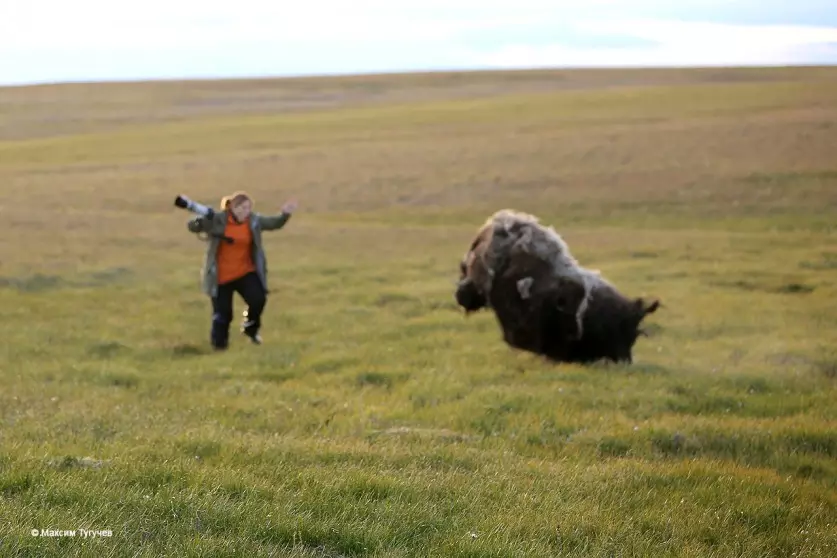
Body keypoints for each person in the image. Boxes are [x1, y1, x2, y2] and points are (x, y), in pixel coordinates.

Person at [186, 191, 297, 350]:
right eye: (242, 208)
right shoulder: (219, 220)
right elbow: (193, 227)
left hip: (244, 272)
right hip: (221, 277)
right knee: (223, 315)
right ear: (232, 207)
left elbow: (274, 223)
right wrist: (202, 219)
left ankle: (250, 328)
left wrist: (285, 214)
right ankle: (219, 347)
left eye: (248, 208)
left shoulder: (253, 221)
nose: (246, 212)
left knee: (258, 299)